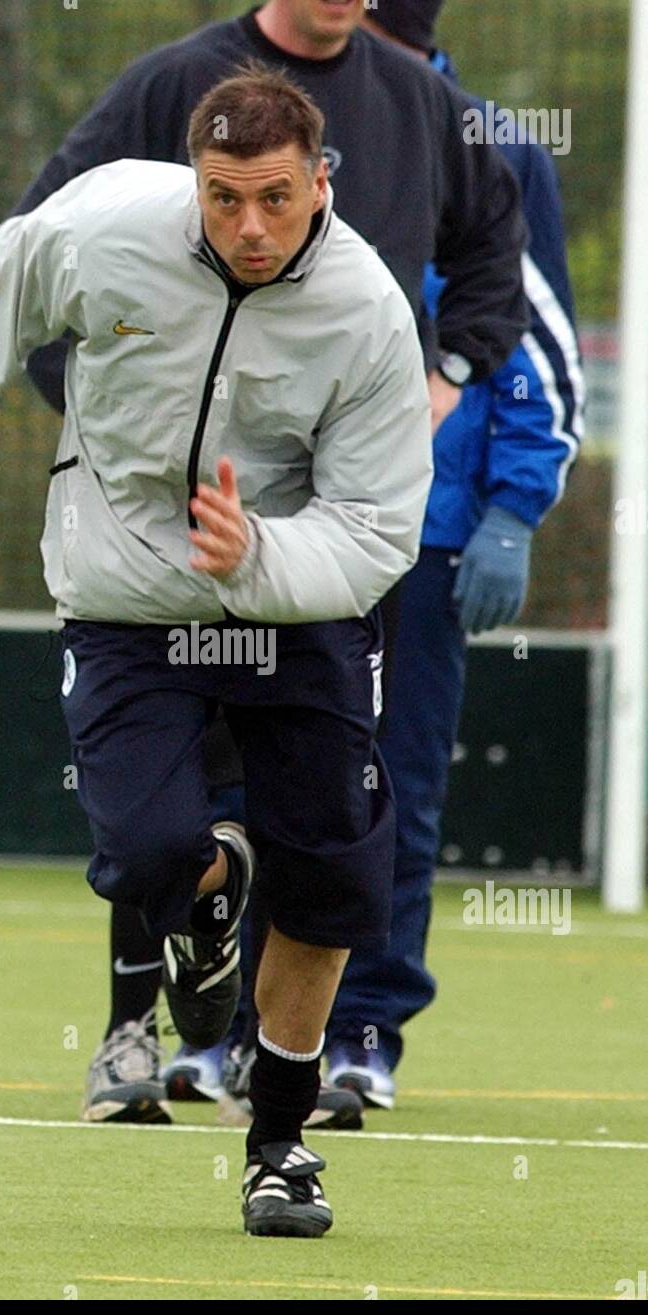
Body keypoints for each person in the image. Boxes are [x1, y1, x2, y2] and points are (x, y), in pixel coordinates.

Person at [0, 67, 433, 1236]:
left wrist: (257, 556)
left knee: (331, 877)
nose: (249, 226)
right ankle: (214, 896)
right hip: (128, 596)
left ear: (317, 180)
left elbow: (380, 528)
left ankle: (278, 1147)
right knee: (145, 855)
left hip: (301, 607)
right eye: (225, 197)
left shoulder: (371, 311)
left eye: (275, 198)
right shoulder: (106, 223)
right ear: (195, 178)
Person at [10, 0, 529, 1126]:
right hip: (168, 526)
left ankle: (339, 1050)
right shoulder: (172, 81)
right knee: (162, 798)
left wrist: (451, 370)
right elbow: (41, 242)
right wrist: (103, 417)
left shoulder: (427, 103)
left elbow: (503, 249)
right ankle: (140, 1027)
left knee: (354, 807)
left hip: (345, 531)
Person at [220, 0, 587, 1121]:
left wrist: (512, 510)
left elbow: (536, 350)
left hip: (419, 541)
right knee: (259, 778)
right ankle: (245, 1032)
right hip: (278, 530)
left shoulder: (483, 140)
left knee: (396, 789)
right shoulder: (269, 140)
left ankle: (363, 1038)